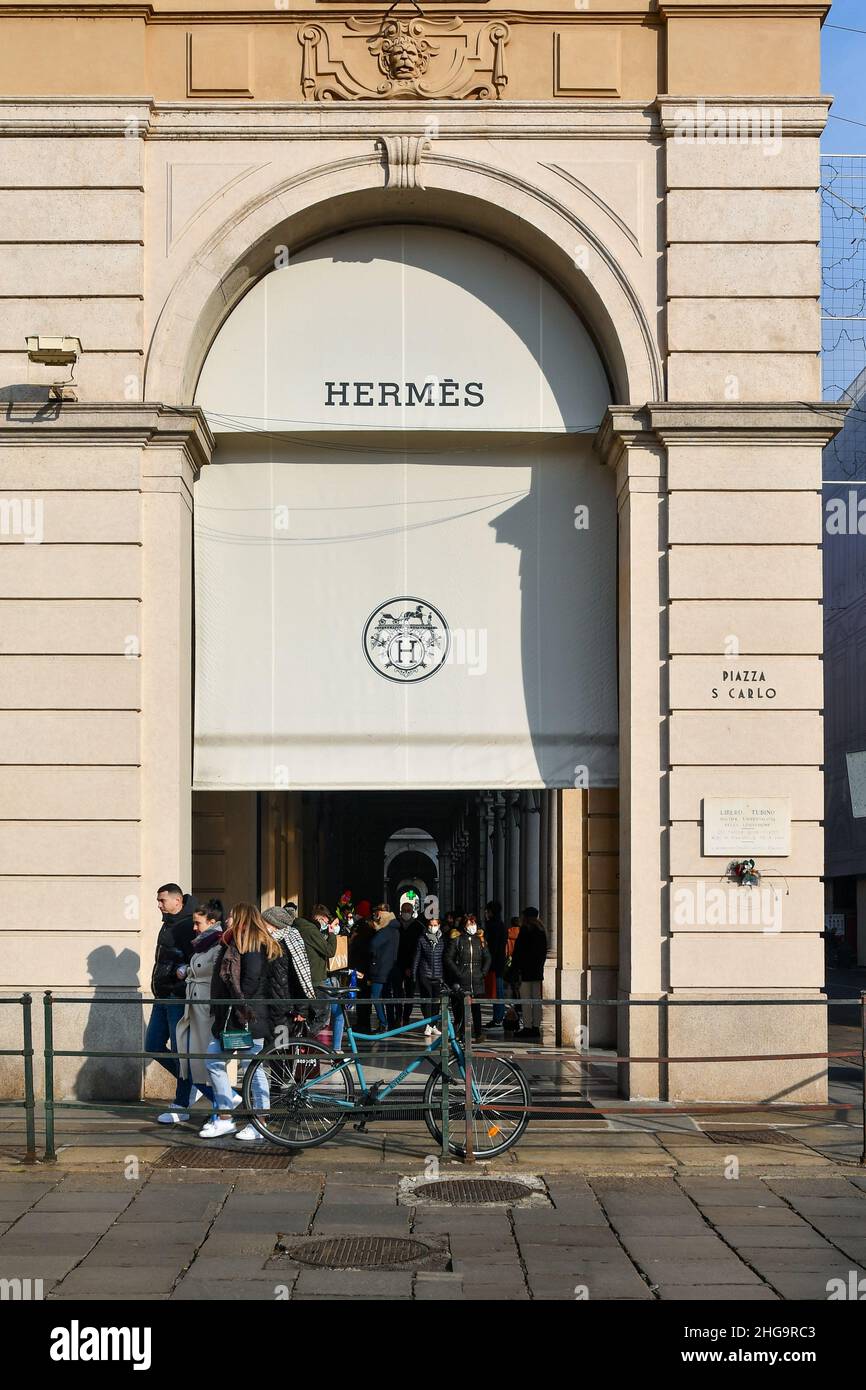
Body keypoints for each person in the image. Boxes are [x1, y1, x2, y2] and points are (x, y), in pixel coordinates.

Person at [201, 902, 280, 1141]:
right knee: (217, 1062)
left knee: (252, 1070)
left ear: (243, 920)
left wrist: (239, 1007)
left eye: (232, 917)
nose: (227, 921)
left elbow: (250, 981)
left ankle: (259, 1123)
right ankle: (226, 1117)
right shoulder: (235, 943)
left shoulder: (252, 945)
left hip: (247, 1018)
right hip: (234, 1018)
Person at [145, 883, 199, 1122]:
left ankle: (182, 1103)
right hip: (162, 997)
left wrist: (179, 983)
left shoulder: (188, 925)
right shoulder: (169, 922)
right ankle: (190, 1085)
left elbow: (195, 962)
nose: (158, 905)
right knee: (153, 1045)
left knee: (181, 1052)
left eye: (162, 901)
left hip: (177, 998)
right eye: (158, 900)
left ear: (178, 901)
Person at [172, 899, 226, 1123]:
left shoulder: (219, 943)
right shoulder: (202, 943)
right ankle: (222, 1106)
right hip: (194, 1009)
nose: (194, 928)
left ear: (212, 922)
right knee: (192, 1061)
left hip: (207, 1010)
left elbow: (220, 977)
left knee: (209, 1064)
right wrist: (186, 970)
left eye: (198, 923)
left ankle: (223, 1109)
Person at [444, 913, 491, 1040]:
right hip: (463, 978)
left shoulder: (480, 940)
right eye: (470, 924)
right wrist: (458, 972)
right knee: (461, 1007)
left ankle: (478, 1032)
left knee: (476, 1007)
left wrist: (483, 972)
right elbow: (448, 958)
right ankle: (461, 1032)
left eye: (474, 923)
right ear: (464, 926)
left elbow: (487, 957)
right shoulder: (458, 940)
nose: (472, 926)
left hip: (476, 978)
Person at [512, 906, 547, 1040]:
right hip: (537, 971)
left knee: (526, 1000)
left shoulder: (525, 930)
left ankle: (527, 1026)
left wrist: (516, 969)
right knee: (537, 1000)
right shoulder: (542, 931)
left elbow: (519, 952)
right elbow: (543, 953)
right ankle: (536, 1026)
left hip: (526, 972)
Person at [368, 904, 399, 1030]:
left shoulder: (385, 930)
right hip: (389, 967)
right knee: (387, 995)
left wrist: (374, 959)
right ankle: (390, 1021)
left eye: (378, 913)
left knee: (375, 996)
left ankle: (383, 1022)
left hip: (380, 968)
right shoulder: (394, 928)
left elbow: (373, 945)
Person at [412, 914, 444, 1038]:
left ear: (439, 926)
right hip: (425, 973)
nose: (433, 927)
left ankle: (434, 1025)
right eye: (431, 925)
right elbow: (417, 957)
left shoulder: (442, 940)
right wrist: (414, 974)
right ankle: (428, 1023)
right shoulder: (422, 939)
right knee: (427, 1000)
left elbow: (444, 958)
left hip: (438, 974)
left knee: (436, 1001)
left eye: (435, 925)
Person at [395, 900, 424, 1025]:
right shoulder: (395, 925)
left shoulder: (418, 927)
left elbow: (418, 948)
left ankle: (406, 1016)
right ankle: (398, 1016)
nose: (406, 913)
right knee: (397, 992)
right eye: (404, 910)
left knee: (409, 992)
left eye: (408, 910)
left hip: (411, 965)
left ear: (412, 912)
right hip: (396, 963)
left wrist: (411, 966)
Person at [484, 900, 507, 1030]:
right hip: (497, 962)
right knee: (497, 991)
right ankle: (497, 1016)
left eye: (487, 911)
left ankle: (498, 1017)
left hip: (495, 963)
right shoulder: (499, 925)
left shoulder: (494, 926)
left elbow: (494, 947)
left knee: (497, 991)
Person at [504, 915, 523, 1031]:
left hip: (510, 960)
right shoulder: (522, 933)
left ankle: (514, 1001)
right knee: (519, 984)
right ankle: (519, 1003)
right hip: (519, 961)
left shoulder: (508, 933)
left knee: (512, 983)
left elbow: (506, 949)